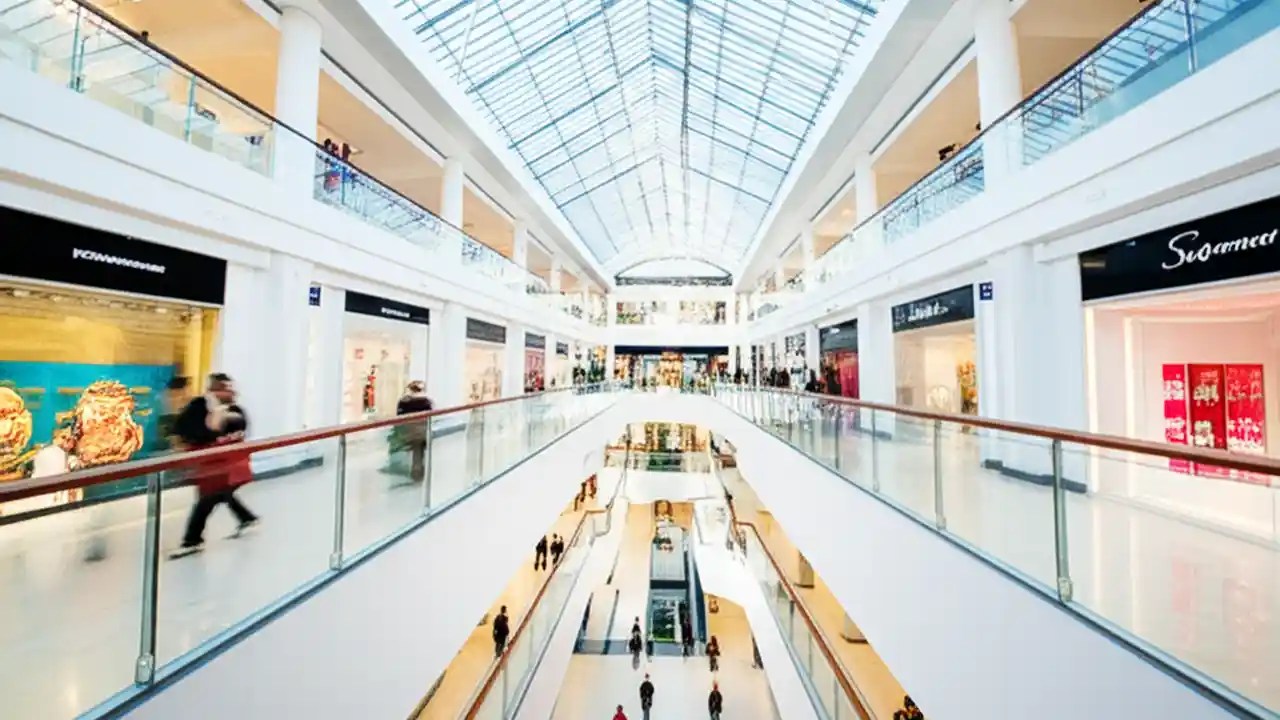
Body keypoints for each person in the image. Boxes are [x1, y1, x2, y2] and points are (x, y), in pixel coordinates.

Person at [170, 374, 259, 558]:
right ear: (214, 389)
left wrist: (222, 424)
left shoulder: (234, 409)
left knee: (209, 499)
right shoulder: (199, 406)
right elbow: (186, 429)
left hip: (226, 464)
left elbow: (239, 428)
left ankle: (192, 540)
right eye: (225, 388)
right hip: (209, 464)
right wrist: (211, 430)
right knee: (217, 495)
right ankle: (246, 518)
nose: (231, 392)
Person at [396, 381, 432, 482]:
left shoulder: (404, 401)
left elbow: (399, 415)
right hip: (422, 430)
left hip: (408, 430)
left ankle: (414, 470)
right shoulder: (426, 401)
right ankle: (418, 471)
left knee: (413, 450)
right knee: (419, 451)